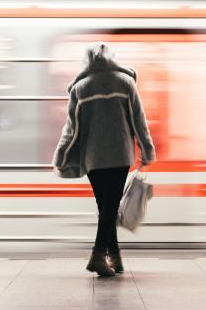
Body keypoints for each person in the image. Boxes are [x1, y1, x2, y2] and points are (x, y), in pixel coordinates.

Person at [53, 43, 156, 277]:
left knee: (105, 208)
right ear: (113, 59)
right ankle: (99, 256)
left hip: (93, 159)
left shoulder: (80, 88)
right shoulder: (125, 83)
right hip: (120, 156)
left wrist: (61, 155)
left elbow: (71, 129)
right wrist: (147, 150)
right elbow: (139, 120)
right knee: (109, 208)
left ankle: (115, 257)